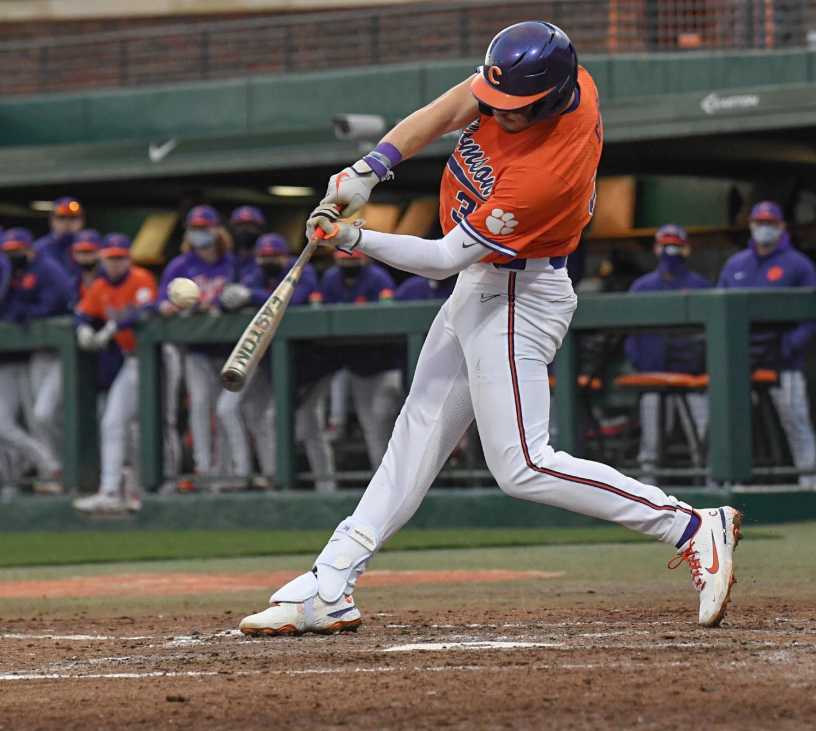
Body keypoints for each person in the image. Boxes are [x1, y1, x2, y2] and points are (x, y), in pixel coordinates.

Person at [239, 21, 741, 636]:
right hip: (486, 286)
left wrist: (353, 238)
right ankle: (331, 582)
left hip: (517, 293)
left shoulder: (547, 172)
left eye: (513, 110)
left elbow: (448, 257)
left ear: (550, 101)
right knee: (418, 428)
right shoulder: (545, 79)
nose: (498, 114)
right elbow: (449, 107)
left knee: (523, 464)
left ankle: (690, 526)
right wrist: (368, 170)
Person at [718, 200, 816, 487]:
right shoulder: (736, 264)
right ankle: (733, 482)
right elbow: (718, 311)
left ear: (781, 227)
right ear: (751, 225)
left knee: (796, 421)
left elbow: (814, 314)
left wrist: (791, 345)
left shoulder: (798, 264)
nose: (763, 228)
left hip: (784, 361)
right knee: (735, 422)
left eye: (769, 223)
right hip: (742, 359)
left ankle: (812, 481)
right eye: (759, 222)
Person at [216, 232, 320, 490]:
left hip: (310, 363)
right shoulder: (254, 274)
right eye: (264, 256)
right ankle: (259, 474)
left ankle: (311, 483)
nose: (268, 260)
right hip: (264, 359)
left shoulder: (302, 270)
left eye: (274, 255)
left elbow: (292, 300)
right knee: (244, 412)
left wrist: (249, 296)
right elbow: (236, 296)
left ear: (285, 256)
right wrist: (227, 300)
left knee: (309, 428)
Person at [72, 236, 157, 514]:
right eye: (110, 258)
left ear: (128, 259)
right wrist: (83, 327)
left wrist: (114, 325)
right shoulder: (100, 286)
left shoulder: (141, 278)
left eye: (120, 257)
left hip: (159, 358)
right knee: (112, 422)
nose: (115, 263)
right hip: (131, 361)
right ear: (103, 259)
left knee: (158, 423)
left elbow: (145, 310)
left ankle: (158, 487)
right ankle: (110, 490)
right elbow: (82, 312)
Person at [626, 225, 711, 484]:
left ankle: (710, 487)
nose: (669, 250)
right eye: (665, 244)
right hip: (653, 378)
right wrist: (641, 364)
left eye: (674, 244)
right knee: (650, 447)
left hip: (693, 379)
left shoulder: (700, 285)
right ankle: (647, 494)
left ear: (686, 248)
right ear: (656, 248)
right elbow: (629, 335)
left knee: (704, 440)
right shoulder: (642, 287)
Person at [158, 205, 236, 488]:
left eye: (205, 228)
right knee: (201, 406)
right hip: (197, 350)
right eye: (195, 228)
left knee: (227, 411)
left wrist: (216, 303)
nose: (199, 234)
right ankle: (205, 470)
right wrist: (172, 306)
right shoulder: (180, 266)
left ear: (217, 229)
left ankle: (227, 472)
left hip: (231, 349)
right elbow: (160, 303)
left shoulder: (231, 262)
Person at [318, 249, 400, 476]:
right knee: (370, 426)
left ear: (364, 258)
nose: (348, 264)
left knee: (384, 416)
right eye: (344, 260)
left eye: (353, 259)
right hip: (356, 366)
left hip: (387, 366)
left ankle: (401, 475)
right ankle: (382, 478)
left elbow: (389, 316)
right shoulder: (331, 278)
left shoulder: (378, 277)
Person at [0, 228, 68, 494]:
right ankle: (44, 465)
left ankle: (51, 471)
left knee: (39, 416)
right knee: (7, 425)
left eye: (19, 250)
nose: (14, 255)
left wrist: (25, 313)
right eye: (9, 251)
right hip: (14, 359)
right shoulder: (11, 273)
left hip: (45, 354)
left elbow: (58, 301)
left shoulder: (45, 268)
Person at [33, 196, 85, 273]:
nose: (67, 222)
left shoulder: (89, 248)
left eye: (73, 217)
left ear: (82, 221)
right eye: (62, 217)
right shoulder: (39, 249)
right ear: (51, 220)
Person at [228, 205, 267, 281]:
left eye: (250, 225)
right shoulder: (226, 258)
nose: (244, 230)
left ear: (260, 229)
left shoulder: (268, 260)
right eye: (240, 226)